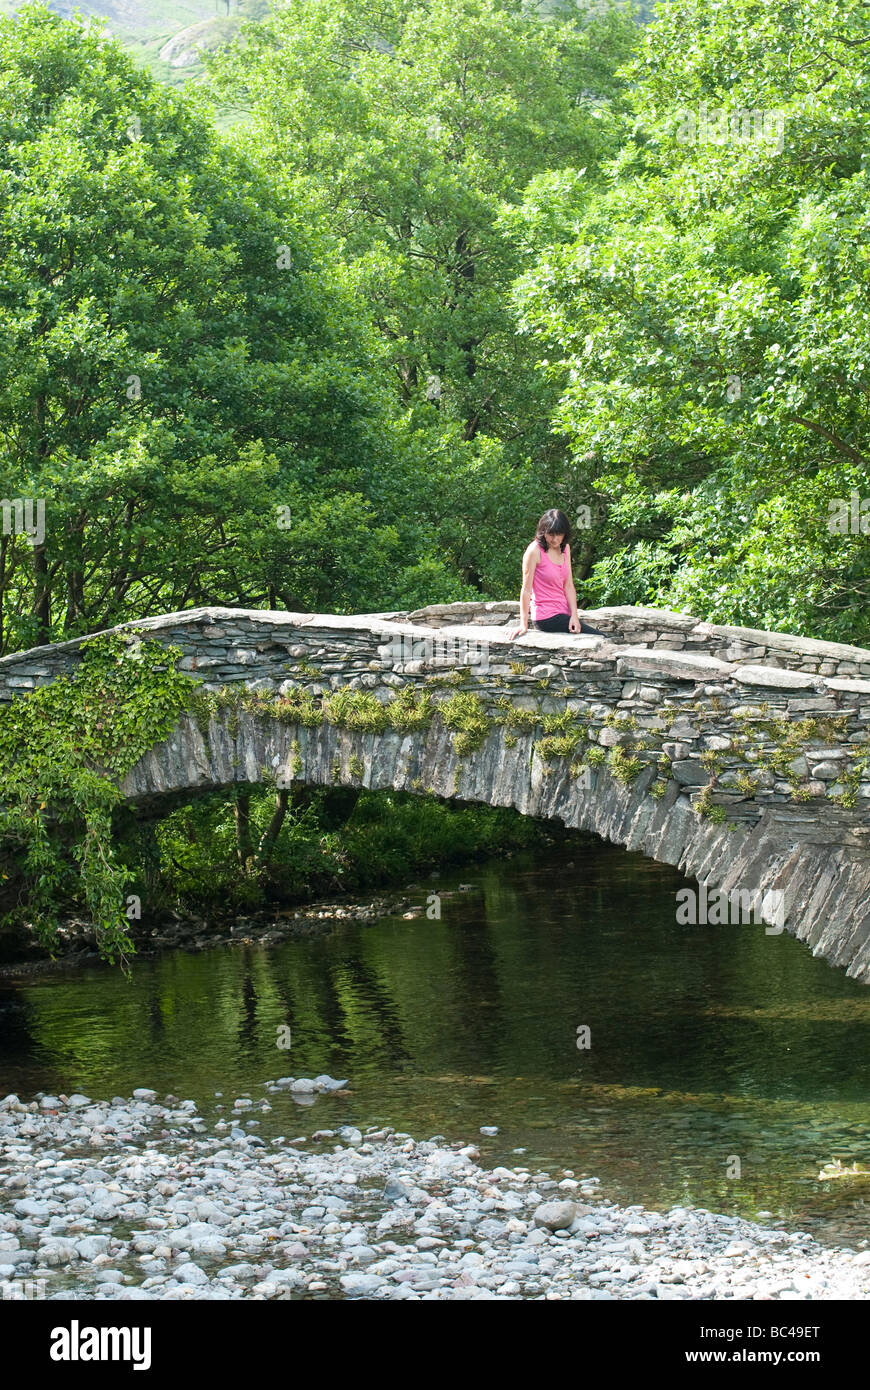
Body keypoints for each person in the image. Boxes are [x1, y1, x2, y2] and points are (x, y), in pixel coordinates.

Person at [508, 508, 606, 640]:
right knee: (600, 638)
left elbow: (569, 585)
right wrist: (523, 624)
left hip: (563, 614)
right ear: (543, 532)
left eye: (559, 534)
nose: (555, 539)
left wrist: (574, 616)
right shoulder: (534, 551)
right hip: (546, 617)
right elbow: (526, 590)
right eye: (551, 534)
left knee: (599, 638)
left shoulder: (565, 548)